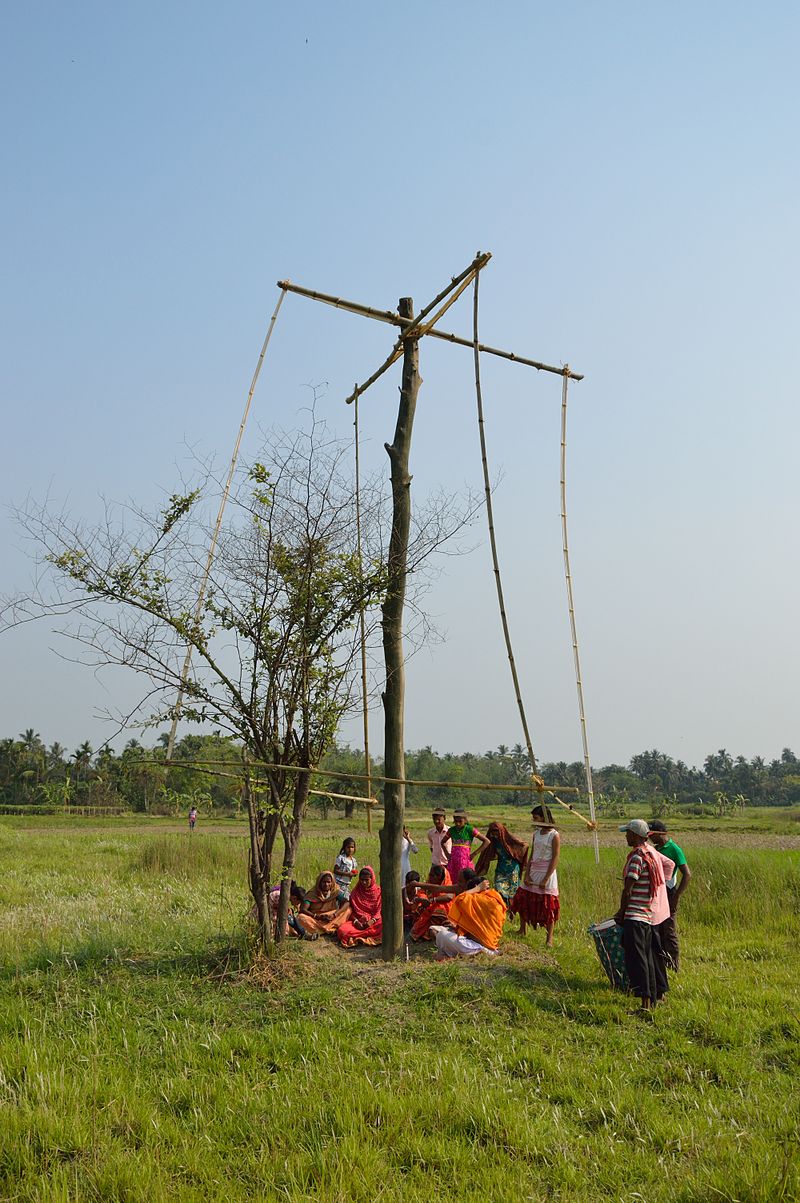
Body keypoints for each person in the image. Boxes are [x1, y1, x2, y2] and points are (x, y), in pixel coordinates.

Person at [614, 819, 668, 1014]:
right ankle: (652, 1000)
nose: (626, 837)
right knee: (647, 959)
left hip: (635, 916)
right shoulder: (650, 854)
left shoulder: (637, 857)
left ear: (636, 835)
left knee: (638, 961)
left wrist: (621, 912)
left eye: (628, 833)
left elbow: (628, 889)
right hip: (646, 916)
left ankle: (645, 1004)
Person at [510, 803, 560, 946]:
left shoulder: (554, 835)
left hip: (547, 872)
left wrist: (546, 878)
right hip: (533, 870)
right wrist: (526, 873)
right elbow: (533, 853)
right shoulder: (536, 833)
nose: (534, 820)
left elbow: (555, 857)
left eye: (536, 817)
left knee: (548, 905)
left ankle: (549, 939)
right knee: (524, 898)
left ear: (543, 817)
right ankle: (522, 929)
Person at [430, 869, 507, 959]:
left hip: (477, 945)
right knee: (436, 929)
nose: (458, 884)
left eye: (460, 881)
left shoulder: (476, 898)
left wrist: (477, 889)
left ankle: (484, 952)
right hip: (488, 943)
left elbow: (459, 898)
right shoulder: (496, 896)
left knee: (441, 935)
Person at [647, 820, 691, 971]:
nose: (649, 838)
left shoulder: (674, 849)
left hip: (668, 892)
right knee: (656, 928)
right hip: (656, 892)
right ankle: (661, 963)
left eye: (651, 834)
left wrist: (676, 897)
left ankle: (674, 965)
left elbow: (687, 875)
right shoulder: (655, 849)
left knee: (669, 930)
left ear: (661, 833)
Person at [475, 821, 528, 906]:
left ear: (501, 831)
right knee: (499, 888)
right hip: (501, 869)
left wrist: (517, 855)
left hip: (513, 870)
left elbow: (525, 845)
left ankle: (511, 911)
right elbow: (488, 853)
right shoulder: (493, 842)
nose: (495, 834)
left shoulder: (510, 839)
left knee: (512, 891)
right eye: (493, 832)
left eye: (496, 831)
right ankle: (502, 908)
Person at [337, 866, 382, 947]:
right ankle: (364, 934)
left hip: (375, 922)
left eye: (366, 880)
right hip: (358, 923)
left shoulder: (379, 891)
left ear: (372, 879)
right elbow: (351, 910)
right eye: (362, 880)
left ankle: (360, 935)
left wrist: (373, 920)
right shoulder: (355, 892)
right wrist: (356, 922)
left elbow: (380, 910)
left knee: (383, 925)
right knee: (342, 930)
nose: (364, 882)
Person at [296, 871, 350, 937]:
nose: (326, 884)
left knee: (348, 910)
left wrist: (335, 915)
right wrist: (316, 916)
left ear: (332, 883)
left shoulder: (335, 892)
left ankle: (324, 930)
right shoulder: (312, 894)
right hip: (316, 919)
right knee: (301, 917)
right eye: (324, 882)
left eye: (328, 882)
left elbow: (346, 903)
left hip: (331, 917)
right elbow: (303, 909)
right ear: (319, 882)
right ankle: (330, 929)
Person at [410, 865, 454, 942]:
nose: (429, 877)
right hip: (428, 910)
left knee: (439, 909)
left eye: (432, 875)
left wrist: (433, 900)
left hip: (443, 914)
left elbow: (449, 897)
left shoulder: (448, 885)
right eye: (429, 874)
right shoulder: (428, 884)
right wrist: (422, 899)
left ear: (439, 877)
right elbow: (421, 893)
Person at [446, 810, 490, 880]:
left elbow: (487, 841)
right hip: (453, 862)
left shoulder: (470, 829)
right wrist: (447, 854)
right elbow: (442, 842)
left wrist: (474, 854)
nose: (457, 824)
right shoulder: (451, 830)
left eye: (460, 821)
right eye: (455, 821)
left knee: (466, 881)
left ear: (465, 820)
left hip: (465, 861)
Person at [402, 870, 422, 935]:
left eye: (411, 884)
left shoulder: (420, 893)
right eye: (407, 883)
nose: (408, 886)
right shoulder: (400, 892)